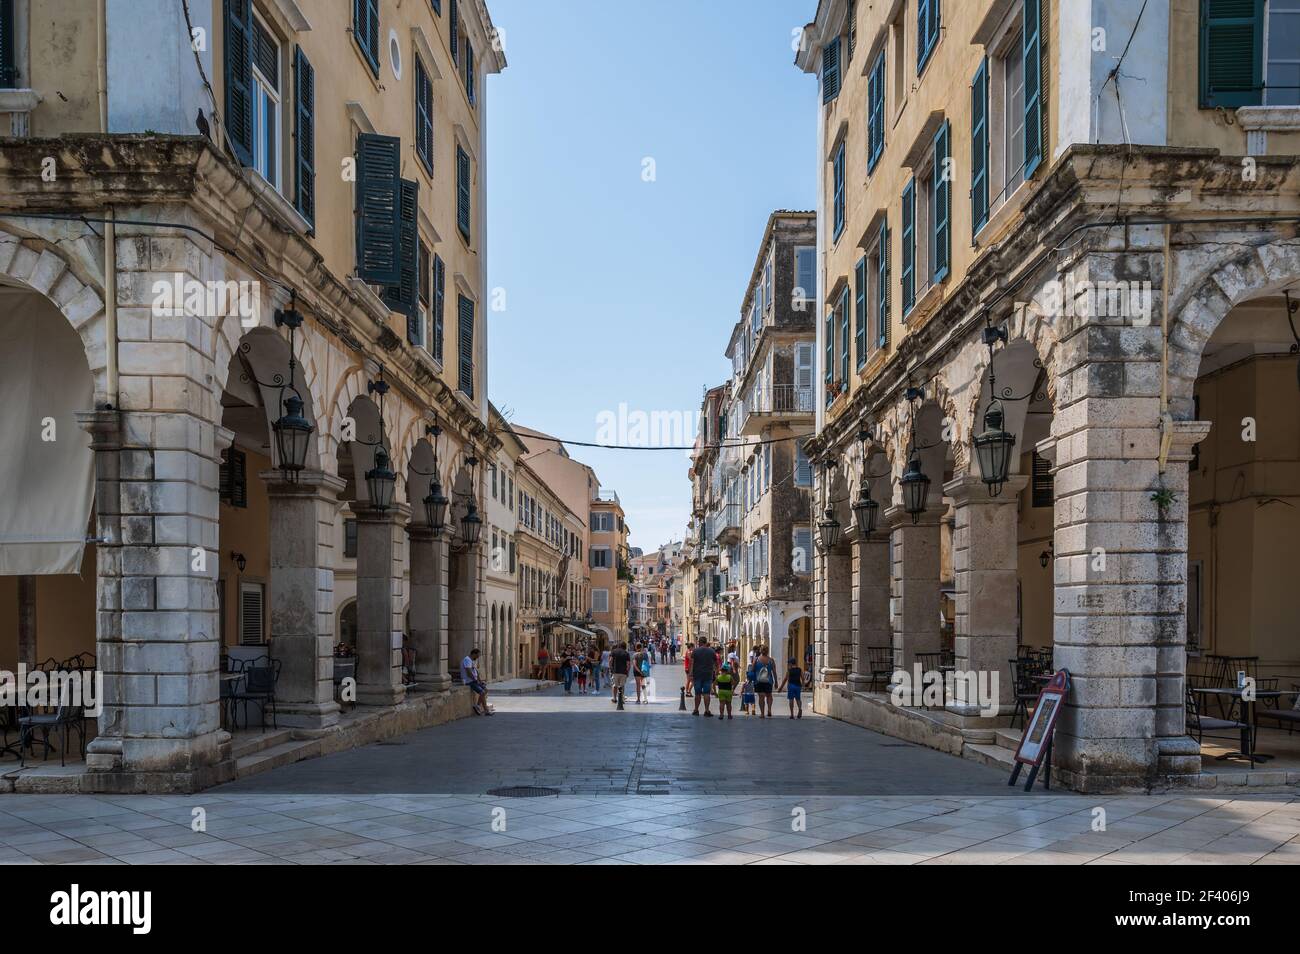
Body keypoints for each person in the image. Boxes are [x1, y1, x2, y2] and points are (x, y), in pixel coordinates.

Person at [691, 638, 717, 717]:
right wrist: (716, 672)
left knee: (697, 693)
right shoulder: (712, 651)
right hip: (708, 675)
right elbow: (716, 663)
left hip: (697, 674)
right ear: (706, 642)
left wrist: (690, 674)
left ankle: (696, 710)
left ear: (700, 642)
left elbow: (692, 664)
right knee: (706, 693)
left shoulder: (695, 651)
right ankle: (706, 710)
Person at [461, 648, 491, 715]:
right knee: (482, 692)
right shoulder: (467, 660)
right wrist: (475, 680)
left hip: (474, 680)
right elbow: (468, 672)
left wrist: (479, 681)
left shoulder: (471, 660)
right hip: (469, 681)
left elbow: (475, 671)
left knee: (485, 690)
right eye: (477, 656)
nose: (477, 657)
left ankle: (477, 706)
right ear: (473, 654)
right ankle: (486, 711)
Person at [752, 646, 777, 718]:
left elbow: (752, 670)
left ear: (760, 651)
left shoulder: (756, 659)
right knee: (769, 696)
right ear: (768, 651)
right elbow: (774, 672)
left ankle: (762, 713)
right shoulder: (771, 660)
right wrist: (776, 682)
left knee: (761, 697)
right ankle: (769, 709)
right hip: (769, 681)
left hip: (758, 681)